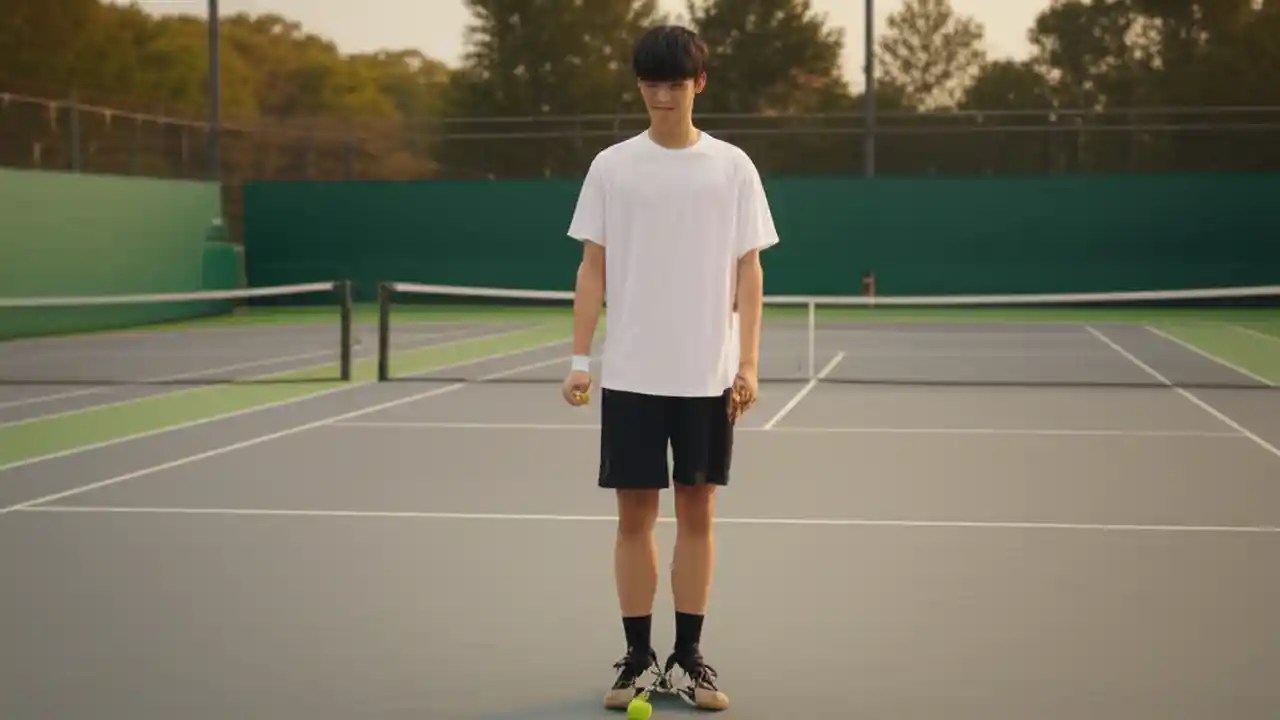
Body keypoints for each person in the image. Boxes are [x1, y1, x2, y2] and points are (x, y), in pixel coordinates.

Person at [561, 24, 780, 712]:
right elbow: (591, 269)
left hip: (707, 378)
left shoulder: (733, 167)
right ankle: (637, 659)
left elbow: (750, 272)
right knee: (634, 518)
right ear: (639, 87)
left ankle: (688, 659)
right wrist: (578, 358)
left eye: (675, 84)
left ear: (699, 85)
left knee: (698, 515)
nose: (662, 96)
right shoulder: (612, 167)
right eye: (651, 84)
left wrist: (747, 362)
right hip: (630, 374)